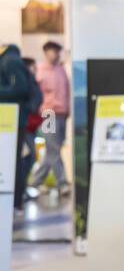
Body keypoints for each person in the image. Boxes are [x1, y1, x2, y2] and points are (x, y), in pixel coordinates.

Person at [0, 43, 41, 215]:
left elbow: (21, 89)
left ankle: (16, 201)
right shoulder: (11, 60)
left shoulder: (10, 61)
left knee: (19, 160)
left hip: (18, 121)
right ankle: (17, 200)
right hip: (21, 121)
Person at [32, 41, 71, 196]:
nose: (56, 54)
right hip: (48, 113)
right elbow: (36, 94)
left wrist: (68, 110)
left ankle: (36, 182)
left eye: (57, 51)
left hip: (62, 114)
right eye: (53, 51)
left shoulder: (61, 70)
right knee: (53, 148)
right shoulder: (40, 71)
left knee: (52, 150)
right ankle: (62, 183)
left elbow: (67, 91)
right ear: (46, 52)